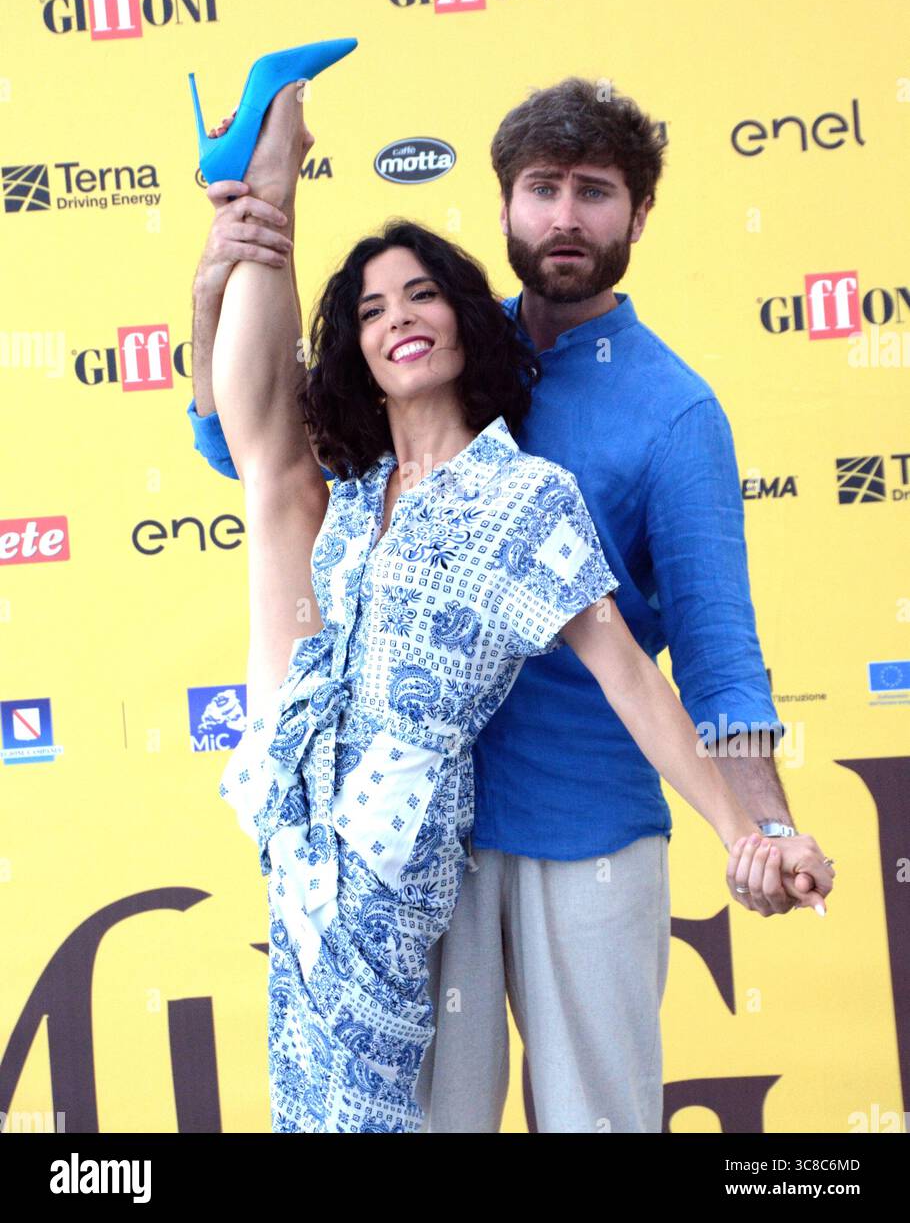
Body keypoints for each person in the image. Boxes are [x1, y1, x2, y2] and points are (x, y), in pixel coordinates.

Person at [189, 78, 835, 1134]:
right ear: (502, 209)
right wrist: (221, 274)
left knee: (598, 1121)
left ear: (637, 215)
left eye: (596, 192)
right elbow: (246, 444)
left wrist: (757, 829)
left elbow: (717, 667)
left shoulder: (673, 412)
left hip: (587, 834)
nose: (567, 216)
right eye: (543, 189)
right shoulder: (437, 339)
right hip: (418, 842)